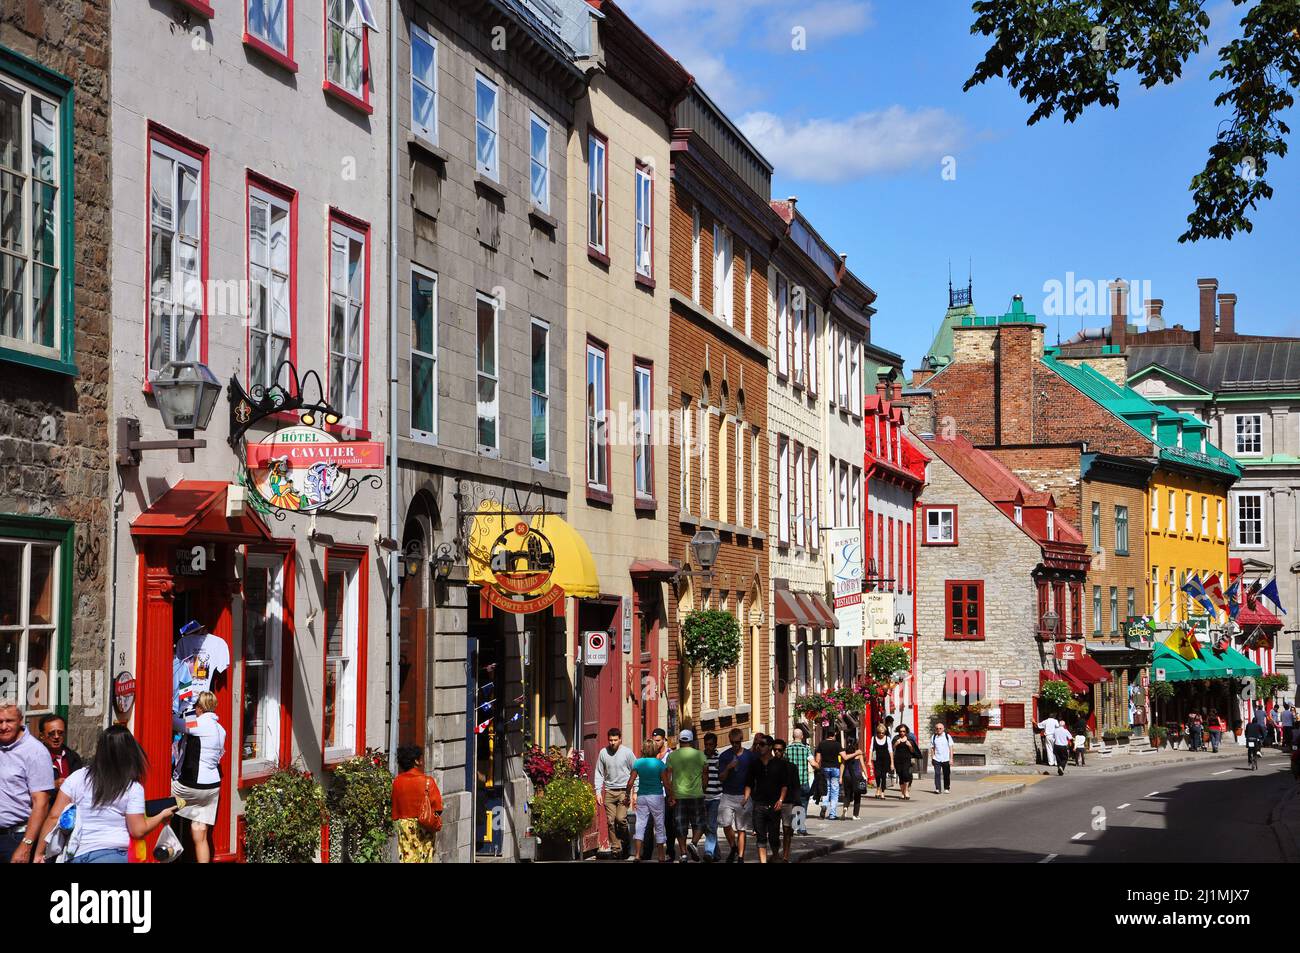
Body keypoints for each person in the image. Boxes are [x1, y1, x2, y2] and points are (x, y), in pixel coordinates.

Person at [34, 725, 176, 864]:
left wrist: (40, 853)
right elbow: (138, 830)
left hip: (76, 854)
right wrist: (162, 815)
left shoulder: (77, 777)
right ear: (130, 753)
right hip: (113, 854)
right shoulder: (132, 787)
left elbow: (54, 817)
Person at [170, 690, 226, 863]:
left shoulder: (197, 723)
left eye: (196, 706)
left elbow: (172, 721)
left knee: (160, 803)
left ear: (200, 708)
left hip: (191, 784)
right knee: (200, 833)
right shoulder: (221, 729)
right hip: (212, 788)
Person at [0, 702, 55, 863]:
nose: (3, 726)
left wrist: (26, 845)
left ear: (20, 721)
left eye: (9, 721)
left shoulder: (35, 751)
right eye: (0, 721)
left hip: (16, 836)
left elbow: (41, 803)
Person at [390, 744, 441, 862]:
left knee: (407, 858)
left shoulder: (397, 781)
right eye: (421, 758)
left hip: (404, 826)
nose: (422, 761)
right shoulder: (428, 781)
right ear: (416, 761)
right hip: (424, 826)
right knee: (425, 858)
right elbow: (438, 807)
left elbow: (395, 808)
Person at [743, 735, 787, 863]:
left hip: (774, 805)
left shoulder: (779, 764)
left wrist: (781, 800)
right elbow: (749, 783)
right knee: (761, 837)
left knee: (773, 836)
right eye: (758, 744)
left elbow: (784, 785)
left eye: (762, 744)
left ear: (769, 747)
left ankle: (775, 855)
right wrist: (746, 798)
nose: (759, 747)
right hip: (759, 805)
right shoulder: (755, 764)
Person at [594, 727, 636, 858]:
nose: (612, 742)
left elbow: (636, 771)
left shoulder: (627, 753)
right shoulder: (603, 753)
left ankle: (626, 841)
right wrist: (598, 791)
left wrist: (635, 792)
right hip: (609, 791)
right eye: (610, 740)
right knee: (610, 821)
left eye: (615, 740)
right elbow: (599, 773)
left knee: (621, 819)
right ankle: (616, 848)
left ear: (620, 739)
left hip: (624, 790)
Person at [666, 729, 706, 863]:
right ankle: (693, 843)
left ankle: (683, 853)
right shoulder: (700, 755)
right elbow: (705, 773)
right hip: (696, 794)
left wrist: (670, 794)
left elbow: (668, 776)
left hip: (679, 796)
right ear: (691, 740)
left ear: (680, 740)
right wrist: (704, 788)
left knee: (680, 825)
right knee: (700, 823)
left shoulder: (672, 756)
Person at [716, 728, 753, 862]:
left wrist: (748, 796)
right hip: (727, 795)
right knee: (725, 824)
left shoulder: (749, 756)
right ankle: (733, 847)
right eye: (732, 743)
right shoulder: (725, 756)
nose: (735, 745)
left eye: (737, 742)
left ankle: (741, 857)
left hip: (743, 796)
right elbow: (721, 778)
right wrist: (728, 767)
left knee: (741, 828)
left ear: (741, 741)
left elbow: (753, 777)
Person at [630, 739, 668, 862]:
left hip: (642, 796)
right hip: (656, 796)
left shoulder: (638, 763)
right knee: (659, 825)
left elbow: (631, 781)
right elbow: (666, 783)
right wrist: (671, 796)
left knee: (640, 824)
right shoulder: (659, 764)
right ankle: (661, 855)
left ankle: (637, 854)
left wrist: (627, 794)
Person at [772, 739, 801, 862]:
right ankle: (775, 854)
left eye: (779, 750)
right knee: (773, 830)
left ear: (784, 751)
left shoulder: (791, 767)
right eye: (775, 750)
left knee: (787, 829)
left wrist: (797, 804)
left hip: (788, 802)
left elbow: (796, 786)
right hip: (773, 802)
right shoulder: (769, 765)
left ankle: (785, 856)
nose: (777, 752)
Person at [38, 715, 82, 790]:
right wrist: (53, 785)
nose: (56, 737)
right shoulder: (35, 758)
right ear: (42, 736)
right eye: (51, 733)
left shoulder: (74, 757)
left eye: (60, 733)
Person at [785, 726, 813, 835]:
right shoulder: (806, 749)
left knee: (791, 805)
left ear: (793, 736)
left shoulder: (787, 749)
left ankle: (791, 827)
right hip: (803, 781)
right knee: (803, 804)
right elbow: (813, 762)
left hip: (790, 783)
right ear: (801, 737)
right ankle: (801, 828)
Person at [700, 732, 723, 861]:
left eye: (711, 744)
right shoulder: (700, 758)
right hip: (702, 797)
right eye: (706, 744)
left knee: (712, 825)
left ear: (715, 745)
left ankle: (709, 852)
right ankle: (717, 853)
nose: (708, 747)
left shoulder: (719, 758)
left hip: (715, 797)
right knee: (705, 826)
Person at [813, 727, 844, 819]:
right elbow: (844, 757)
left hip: (824, 768)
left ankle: (824, 805)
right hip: (835, 768)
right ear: (834, 735)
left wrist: (817, 769)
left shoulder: (821, 744)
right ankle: (832, 814)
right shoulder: (837, 745)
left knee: (826, 789)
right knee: (835, 791)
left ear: (827, 735)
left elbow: (817, 760)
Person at [869, 723, 893, 800]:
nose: (881, 734)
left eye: (882, 733)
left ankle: (882, 792)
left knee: (883, 776)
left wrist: (892, 763)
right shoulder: (874, 738)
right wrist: (869, 761)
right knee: (878, 775)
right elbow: (870, 750)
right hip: (877, 759)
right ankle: (878, 788)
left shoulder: (887, 739)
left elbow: (890, 751)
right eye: (879, 733)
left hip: (886, 759)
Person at [892, 726, 917, 799]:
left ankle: (906, 791)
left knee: (906, 774)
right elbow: (891, 748)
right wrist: (896, 744)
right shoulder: (896, 738)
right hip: (898, 759)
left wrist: (910, 746)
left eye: (903, 731)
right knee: (900, 775)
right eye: (900, 731)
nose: (902, 733)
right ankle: (902, 792)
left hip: (907, 759)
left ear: (906, 732)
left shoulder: (909, 739)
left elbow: (913, 751)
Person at [931, 722, 953, 793]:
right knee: (937, 774)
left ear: (943, 729)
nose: (938, 730)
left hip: (946, 759)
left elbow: (951, 748)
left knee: (946, 774)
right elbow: (932, 748)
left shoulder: (947, 736)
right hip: (937, 758)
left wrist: (951, 759)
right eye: (937, 728)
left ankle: (946, 788)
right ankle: (938, 789)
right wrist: (932, 757)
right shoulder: (934, 737)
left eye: (940, 728)